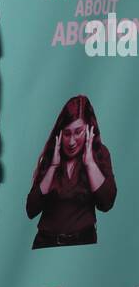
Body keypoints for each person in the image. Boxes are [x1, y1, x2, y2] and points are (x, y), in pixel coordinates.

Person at [26, 96, 116, 248]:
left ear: (89, 130)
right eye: (67, 134)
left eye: (78, 132)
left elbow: (106, 203)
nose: (72, 141)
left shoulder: (100, 155)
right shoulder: (52, 155)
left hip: (84, 243)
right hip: (46, 243)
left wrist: (89, 163)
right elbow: (31, 209)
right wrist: (53, 166)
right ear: (60, 134)